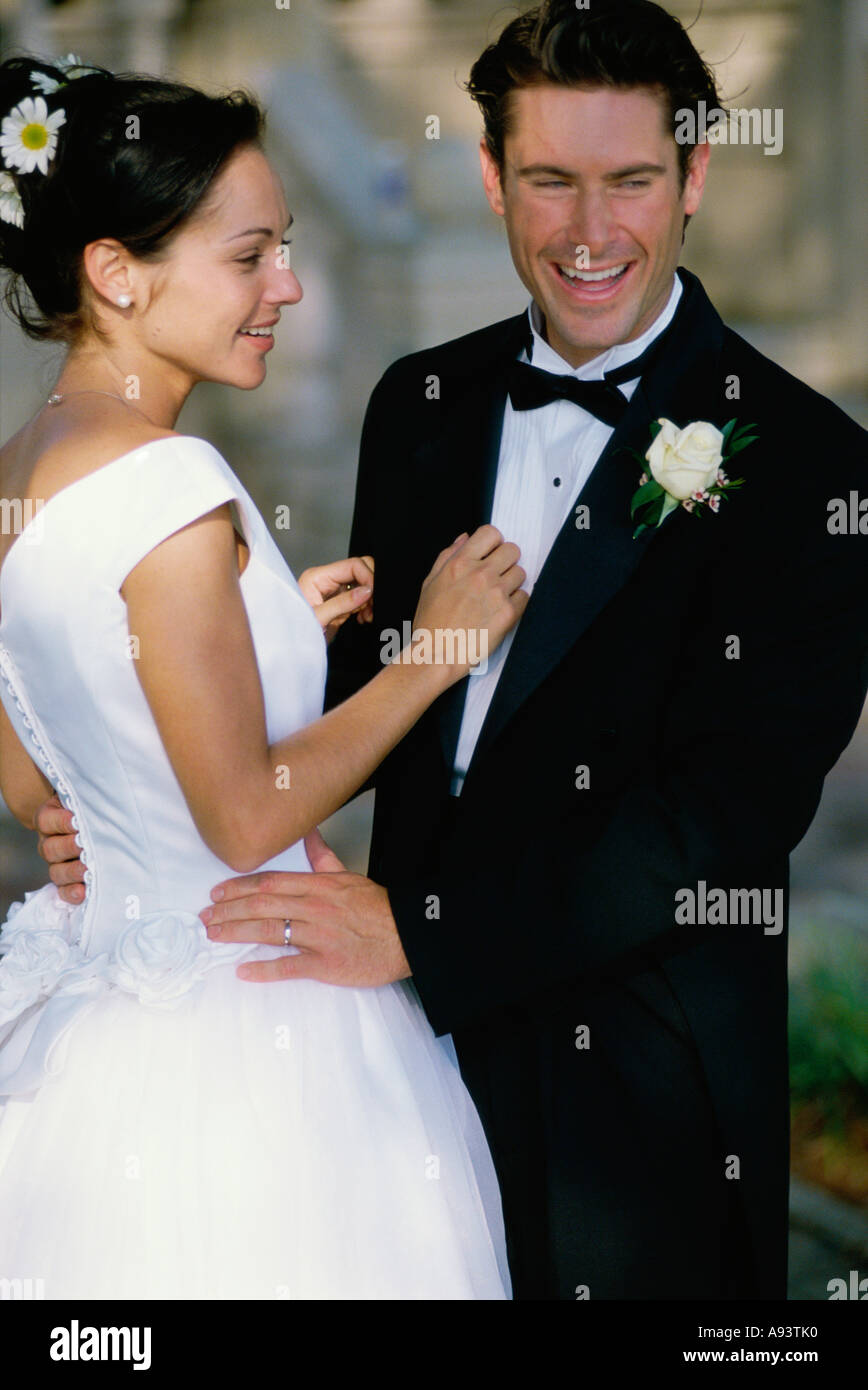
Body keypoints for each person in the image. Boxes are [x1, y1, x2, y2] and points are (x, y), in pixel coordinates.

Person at [36, 1, 868, 1299]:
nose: (590, 233)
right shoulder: (419, 402)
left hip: (641, 1092)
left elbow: (727, 814)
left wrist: (419, 930)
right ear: (491, 177)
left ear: (696, 174)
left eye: (631, 181)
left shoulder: (810, 459)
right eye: (548, 180)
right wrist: (145, 783)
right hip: (393, 1059)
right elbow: (383, 701)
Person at [0, 53, 528, 1299]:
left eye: (283, 247)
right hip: (250, 1030)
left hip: (96, 1020)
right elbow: (242, 814)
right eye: (247, 258)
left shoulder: (28, 462)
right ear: (116, 272)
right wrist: (435, 652)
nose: (285, 285)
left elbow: (37, 750)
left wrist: (257, 629)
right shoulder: (170, 489)